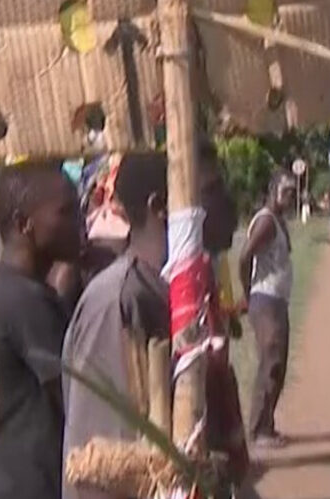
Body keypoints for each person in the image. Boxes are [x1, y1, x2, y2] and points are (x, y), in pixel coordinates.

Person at [61, 144, 242, 499]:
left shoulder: (183, 295)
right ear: (161, 206)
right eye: (210, 190)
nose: (225, 202)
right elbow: (102, 465)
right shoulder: (117, 301)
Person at [0, 162, 86, 499]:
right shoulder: (24, 299)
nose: (80, 222)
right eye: (66, 212)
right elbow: (75, 398)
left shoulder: (14, 288)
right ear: (24, 223)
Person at [239, 172, 299, 448]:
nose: (290, 197)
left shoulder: (277, 220)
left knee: (277, 364)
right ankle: (258, 429)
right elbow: (244, 256)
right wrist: (247, 293)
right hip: (265, 300)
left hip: (275, 300)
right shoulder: (265, 222)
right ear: (273, 190)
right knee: (270, 362)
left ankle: (266, 425)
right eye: (285, 191)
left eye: (292, 192)